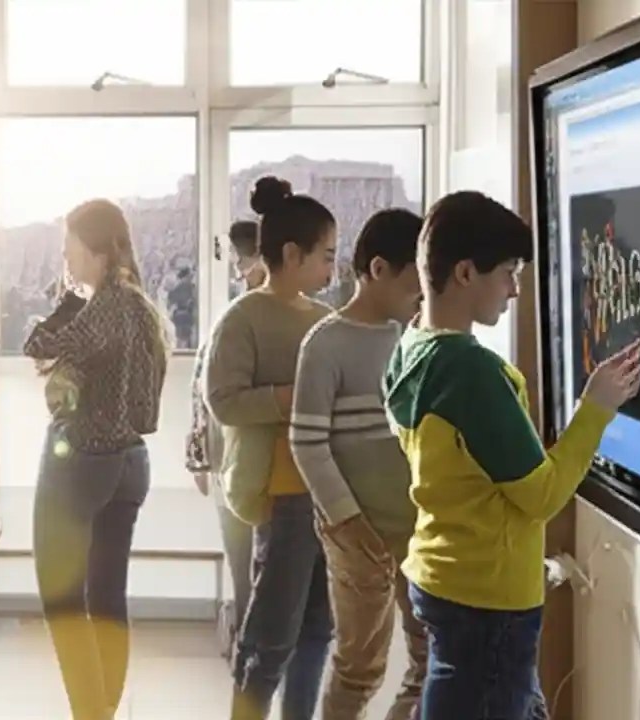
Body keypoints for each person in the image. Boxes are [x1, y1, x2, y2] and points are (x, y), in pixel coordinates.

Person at [382, 191, 640, 719]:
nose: (515, 288)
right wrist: (595, 409)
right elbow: (542, 495)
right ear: (464, 273)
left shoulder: (411, 346)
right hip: (488, 600)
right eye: (507, 272)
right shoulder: (471, 372)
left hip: (443, 577)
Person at [24, 199, 169, 720]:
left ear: (95, 251)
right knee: (108, 602)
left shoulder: (103, 309)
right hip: (131, 462)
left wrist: (65, 303)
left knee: (62, 602)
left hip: (84, 461)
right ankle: (103, 711)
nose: (65, 257)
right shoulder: (140, 307)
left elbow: (37, 344)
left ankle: (92, 714)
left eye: (69, 248)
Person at [204, 176, 337, 720]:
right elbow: (224, 401)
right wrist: (290, 398)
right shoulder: (243, 318)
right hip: (281, 494)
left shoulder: (327, 319)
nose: (334, 266)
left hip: (328, 494)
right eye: (326, 255)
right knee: (270, 634)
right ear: (291, 254)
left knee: (318, 628)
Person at [289, 208, 428, 720]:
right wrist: (347, 520)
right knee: (359, 664)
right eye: (415, 280)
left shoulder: (413, 338)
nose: (422, 293)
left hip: (417, 530)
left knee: (430, 657)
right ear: (377, 270)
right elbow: (307, 443)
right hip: (355, 535)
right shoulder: (325, 343)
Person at [186, 220, 265, 658]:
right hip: (231, 461)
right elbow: (202, 389)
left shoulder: (287, 317)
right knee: (242, 563)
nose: (239, 270)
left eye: (241, 260)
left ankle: (251, 644)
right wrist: (199, 457)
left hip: (258, 464)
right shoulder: (235, 318)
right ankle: (247, 644)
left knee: (254, 563)